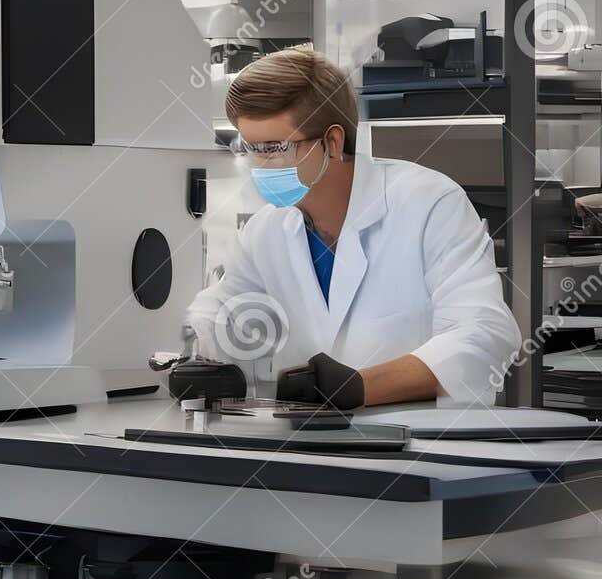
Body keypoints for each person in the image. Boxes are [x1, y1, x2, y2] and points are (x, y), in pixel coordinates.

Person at [187, 45, 521, 408]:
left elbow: (483, 335)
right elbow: (223, 312)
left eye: (275, 147)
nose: (260, 164)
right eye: (251, 147)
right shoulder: (266, 230)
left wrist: (360, 387)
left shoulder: (429, 203)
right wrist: (198, 359)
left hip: (424, 444)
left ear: (332, 142)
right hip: (313, 443)